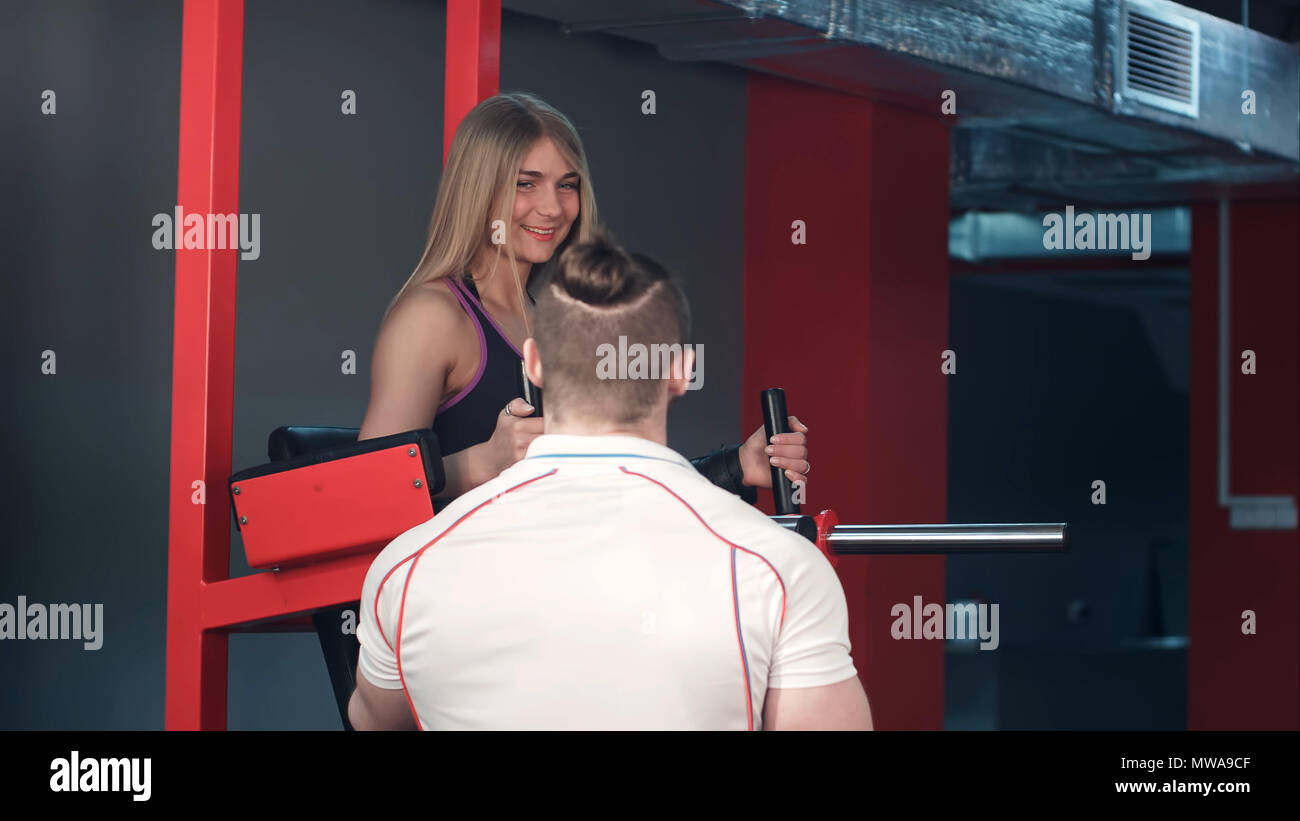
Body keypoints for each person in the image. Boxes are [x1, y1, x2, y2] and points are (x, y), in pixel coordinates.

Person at [348, 233, 871, 730]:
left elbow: (372, 720)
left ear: (533, 363)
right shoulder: (779, 570)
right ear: (681, 371)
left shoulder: (406, 567)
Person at [356, 91, 811, 501]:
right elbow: (364, 496)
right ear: (480, 189)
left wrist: (737, 467)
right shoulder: (433, 316)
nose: (552, 207)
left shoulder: (561, 319)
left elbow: (610, 491)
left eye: (567, 185)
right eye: (525, 183)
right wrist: (481, 463)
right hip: (462, 589)